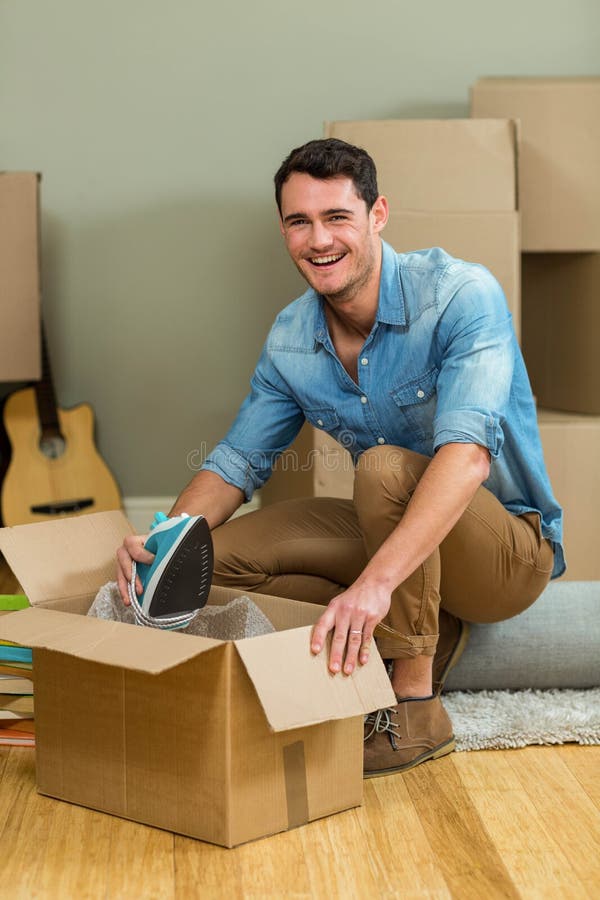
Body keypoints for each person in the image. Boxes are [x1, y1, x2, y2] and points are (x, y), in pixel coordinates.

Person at [117, 138, 564, 777]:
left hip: (504, 553)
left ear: (377, 214)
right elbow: (237, 462)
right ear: (283, 229)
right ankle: (422, 630)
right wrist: (163, 541)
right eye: (300, 221)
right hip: (394, 538)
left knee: (382, 466)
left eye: (337, 218)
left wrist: (375, 586)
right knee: (210, 567)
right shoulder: (291, 339)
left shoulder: (461, 295)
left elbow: (466, 458)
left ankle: (415, 706)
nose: (318, 239)